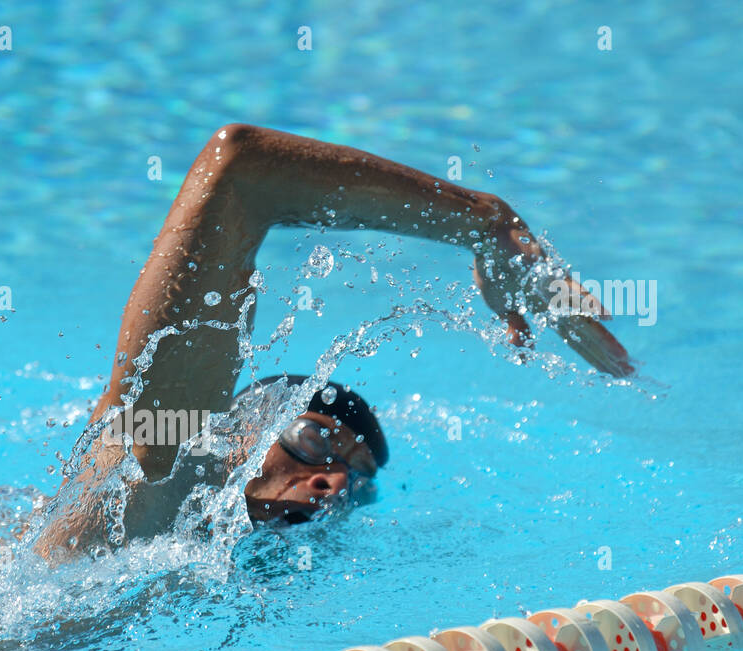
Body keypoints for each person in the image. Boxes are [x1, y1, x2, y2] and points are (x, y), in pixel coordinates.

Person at [35, 124, 634, 557]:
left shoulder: (213, 566)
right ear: (234, 432)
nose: (335, 482)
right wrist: (485, 222)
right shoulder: (160, 460)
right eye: (312, 440)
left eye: (358, 477)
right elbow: (240, 172)